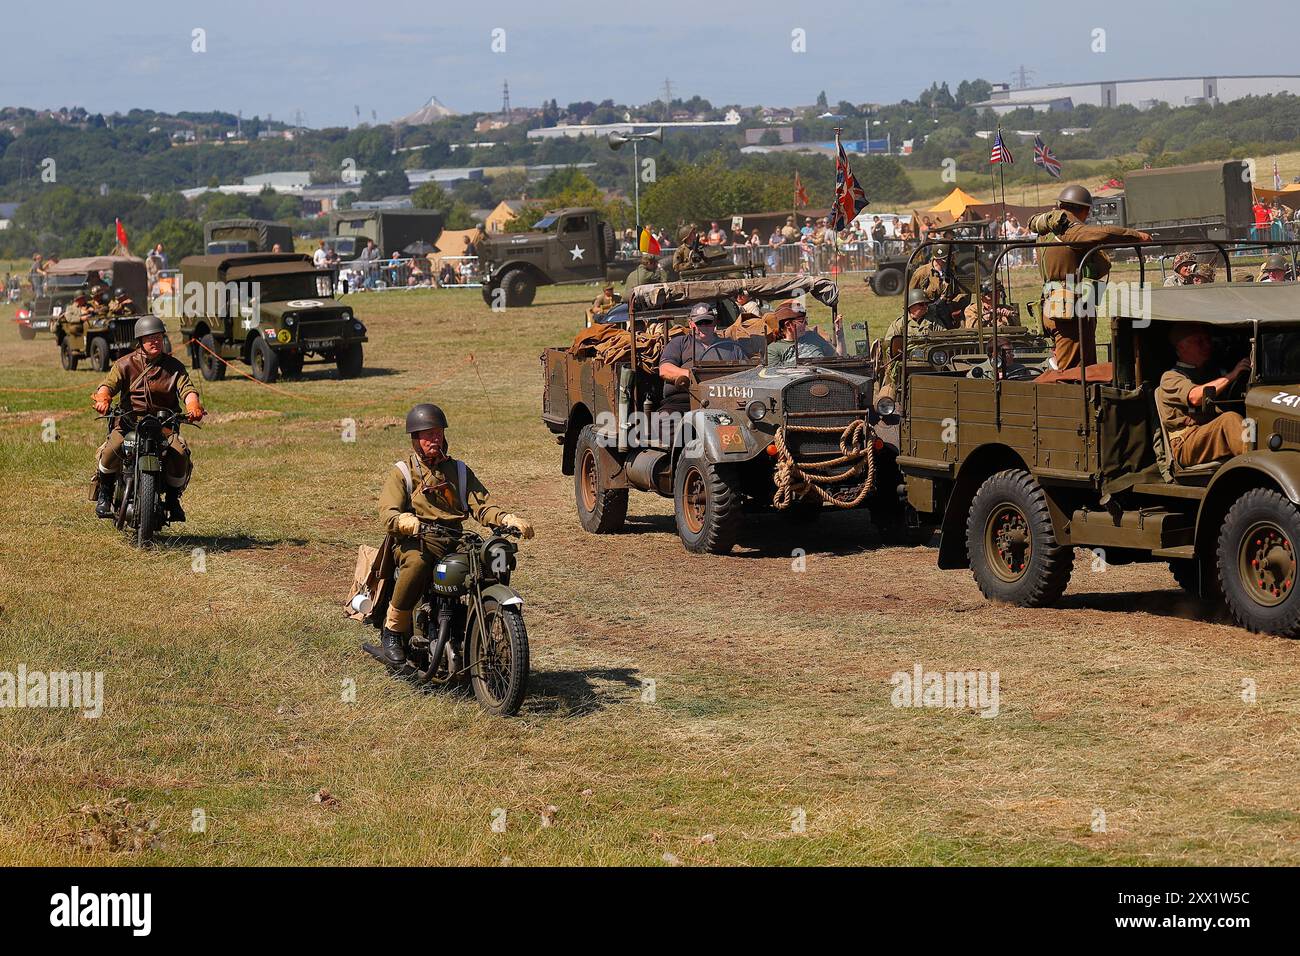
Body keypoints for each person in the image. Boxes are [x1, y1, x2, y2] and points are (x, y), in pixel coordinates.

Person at [375, 403, 534, 666]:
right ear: (415, 439)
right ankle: (393, 630)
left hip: (455, 540)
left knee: (491, 559)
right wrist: (404, 520)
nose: (435, 439)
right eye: (428, 435)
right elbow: (388, 511)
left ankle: (476, 625)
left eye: (438, 433)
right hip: (419, 540)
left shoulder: (459, 470)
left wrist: (505, 518)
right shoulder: (403, 472)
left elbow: (481, 505)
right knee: (417, 564)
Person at [90, 315, 205, 521]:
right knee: (110, 451)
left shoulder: (174, 367)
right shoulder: (124, 364)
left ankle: (172, 499)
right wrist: (103, 398)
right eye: (150, 338)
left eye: (159, 337)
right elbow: (108, 385)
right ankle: (105, 495)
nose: (155, 341)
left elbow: (187, 389)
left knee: (179, 454)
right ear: (140, 341)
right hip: (129, 423)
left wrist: (193, 405)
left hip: (163, 425)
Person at [1028, 184, 1150, 370]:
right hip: (1068, 309)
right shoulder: (1070, 231)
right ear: (1084, 210)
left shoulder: (1047, 232)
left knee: (1082, 366)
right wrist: (1136, 235)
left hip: (1059, 305)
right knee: (1073, 370)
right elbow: (1104, 233)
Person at [1156, 324, 1250, 467]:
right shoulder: (1170, 377)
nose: (1207, 345)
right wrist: (1230, 377)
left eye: (1207, 340)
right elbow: (1195, 397)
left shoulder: (1211, 373)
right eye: (1199, 341)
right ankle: (1255, 465)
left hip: (1209, 436)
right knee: (1229, 419)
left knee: (1252, 423)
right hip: (1186, 442)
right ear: (1181, 347)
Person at [658, 304, 748, 412]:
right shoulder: (679, 343)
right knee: (665, 422)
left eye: (707, 322)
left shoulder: (732, 347)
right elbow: (665, 369)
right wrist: (693, 377)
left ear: (714, 322)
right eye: (699, 323)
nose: (704, 326)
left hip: (723, 402)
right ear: (691, 324)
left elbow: (748, 373)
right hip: (683, 400)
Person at [908, 244, 969, 323]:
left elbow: (965, 294)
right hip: (927, 318)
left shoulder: (957, 272)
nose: (953, 258)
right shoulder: (921, 273)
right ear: (942, 258)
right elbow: (911, 297)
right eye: (951, 256)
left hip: (950, 316)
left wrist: (951, 307)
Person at [766, 303, 835, 365]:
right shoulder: (773, 349)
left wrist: (839, 335)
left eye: (806, 320)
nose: (806, 324)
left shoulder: (813, 336)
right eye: (802, 321)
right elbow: (774, 375)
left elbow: (837, 358)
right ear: (788, 325)